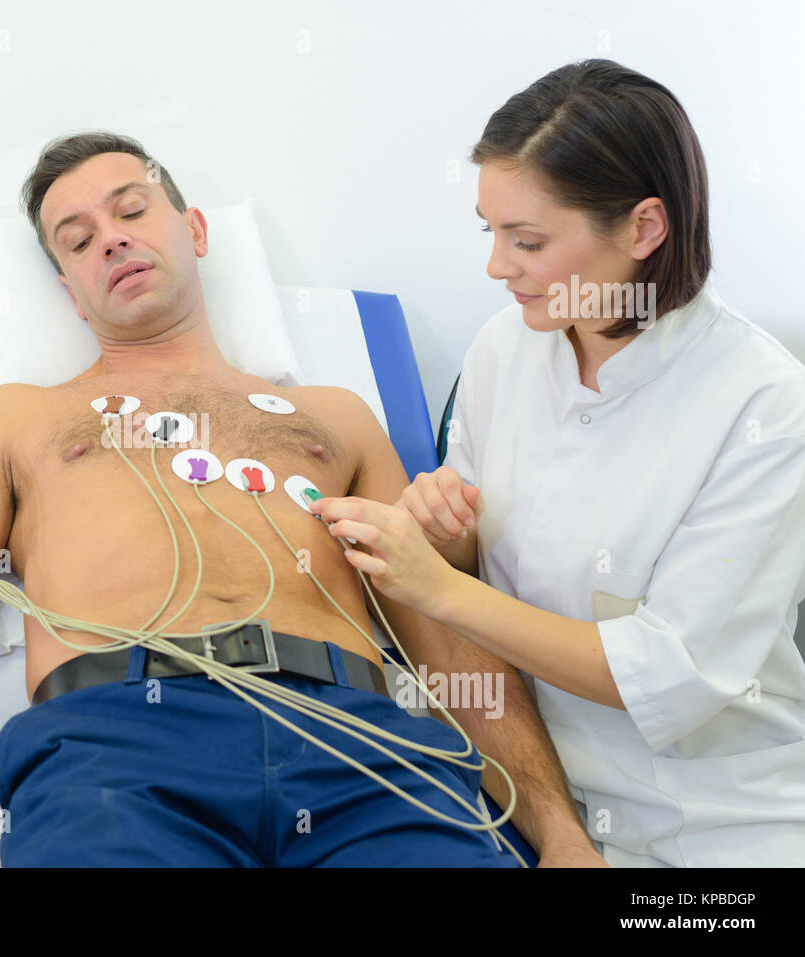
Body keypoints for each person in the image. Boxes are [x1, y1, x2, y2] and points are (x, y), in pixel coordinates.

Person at [0, 130, 606, 867]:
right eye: (77, 240)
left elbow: (446, 628)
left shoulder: (334, 417)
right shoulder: (17, 420)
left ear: (195, 230)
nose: (110, 238)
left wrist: (564, 837)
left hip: (359, 745)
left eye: (132, 210)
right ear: (70, 293)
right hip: (117, 749)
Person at [312, 60, 805, 867]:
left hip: (717, 821)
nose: (497, 266)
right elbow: (483, 555)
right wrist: (449, 537)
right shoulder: (507, 347)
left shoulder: (764, 405)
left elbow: (669, 676)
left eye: (528, 240)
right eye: (491, 232)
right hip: (523, 786)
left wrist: (442, 588)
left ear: (645, 228)